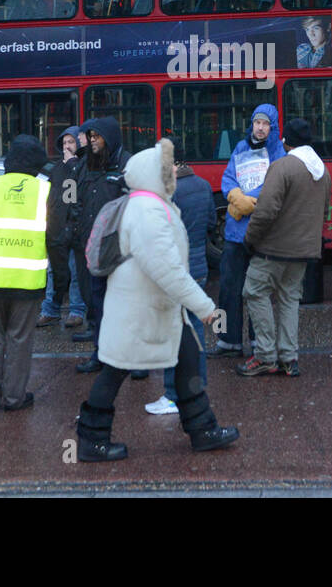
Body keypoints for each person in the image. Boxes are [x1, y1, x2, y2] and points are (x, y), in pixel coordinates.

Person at [76, 139, 239, 460]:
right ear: (154, 174)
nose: (174, 174)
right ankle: (91, 440)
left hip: (154, 311)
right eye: (167, 171)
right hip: (141, 313)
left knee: (186, 362)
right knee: (113, 372)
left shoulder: (147, 204)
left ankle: (202, 429)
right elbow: (167, 269)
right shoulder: (148, 210)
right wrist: (204, 306)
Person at [238, 118, 331, 376]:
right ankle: (289, 358)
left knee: (254, 292)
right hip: (304, 251)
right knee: (290, 299)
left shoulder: (282, 167)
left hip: (273, 249)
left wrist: (250, 239)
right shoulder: (322, 170)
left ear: (286, 141)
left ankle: (266, 355)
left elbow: (266, 211)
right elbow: (324, 212)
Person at [0, 135, 50, 412]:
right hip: (28, 282)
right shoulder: (44, 190)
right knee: (19, 340)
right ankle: (14, 397)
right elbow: (55, 238)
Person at [146, 136, 214, 414]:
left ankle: (174, 394)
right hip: (199, 268)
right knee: (195, 330)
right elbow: (211, 223)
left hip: (176, 271)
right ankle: (197, 386)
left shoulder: (169, 193)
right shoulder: (204, 185)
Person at [212, 104, 284, 357]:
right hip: (234, 233)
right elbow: (228, 177)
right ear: (251, 124)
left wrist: (246, 202)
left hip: (261, 232)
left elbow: (275, 185)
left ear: (272, 126)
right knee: (229, 287)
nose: (261, 128)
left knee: (259, 290)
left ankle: (258, 343)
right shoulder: (240, 147)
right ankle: (227, 342)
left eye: (265, 124)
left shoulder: (278, 152)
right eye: (257, 123)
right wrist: (233, 194)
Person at [66, 117, 132, 373]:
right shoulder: (82, 165)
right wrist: (75, 225)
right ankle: (100, 354)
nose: (91, 140)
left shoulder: (126, 164)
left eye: (96, 136)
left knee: (126, 306)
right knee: (98, 304)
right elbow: (71, 197)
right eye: (90, 136)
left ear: (109, 137)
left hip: (119, 250)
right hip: (92, 248)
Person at [38, 125, 87, 329]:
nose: (67, 146)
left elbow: (74, 196)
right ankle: (51, 310)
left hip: (73, 228)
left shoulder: (80, 165)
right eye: (64, 142)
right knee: (53, 272)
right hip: (56, 227)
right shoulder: (57, 167)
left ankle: (76, 310)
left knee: (75, 272)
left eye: (71, 142)